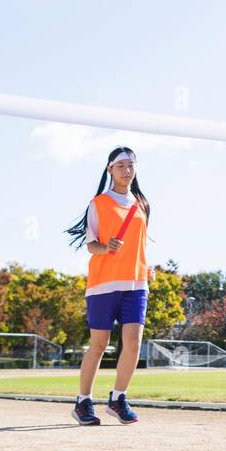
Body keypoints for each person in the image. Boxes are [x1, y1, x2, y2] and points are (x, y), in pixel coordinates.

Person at [65, 147, 151, 425]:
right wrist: (106, 247)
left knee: (133, 342)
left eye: (131, 165)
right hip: (103, 283)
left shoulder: (142, 204)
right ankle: (83, 402)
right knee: (98, 345)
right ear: (110, 169)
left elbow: (140, 244)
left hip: (136, 282)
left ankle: (118, 398)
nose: (127, 170)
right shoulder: (98, 203)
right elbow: (91, 245)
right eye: (121, 165)